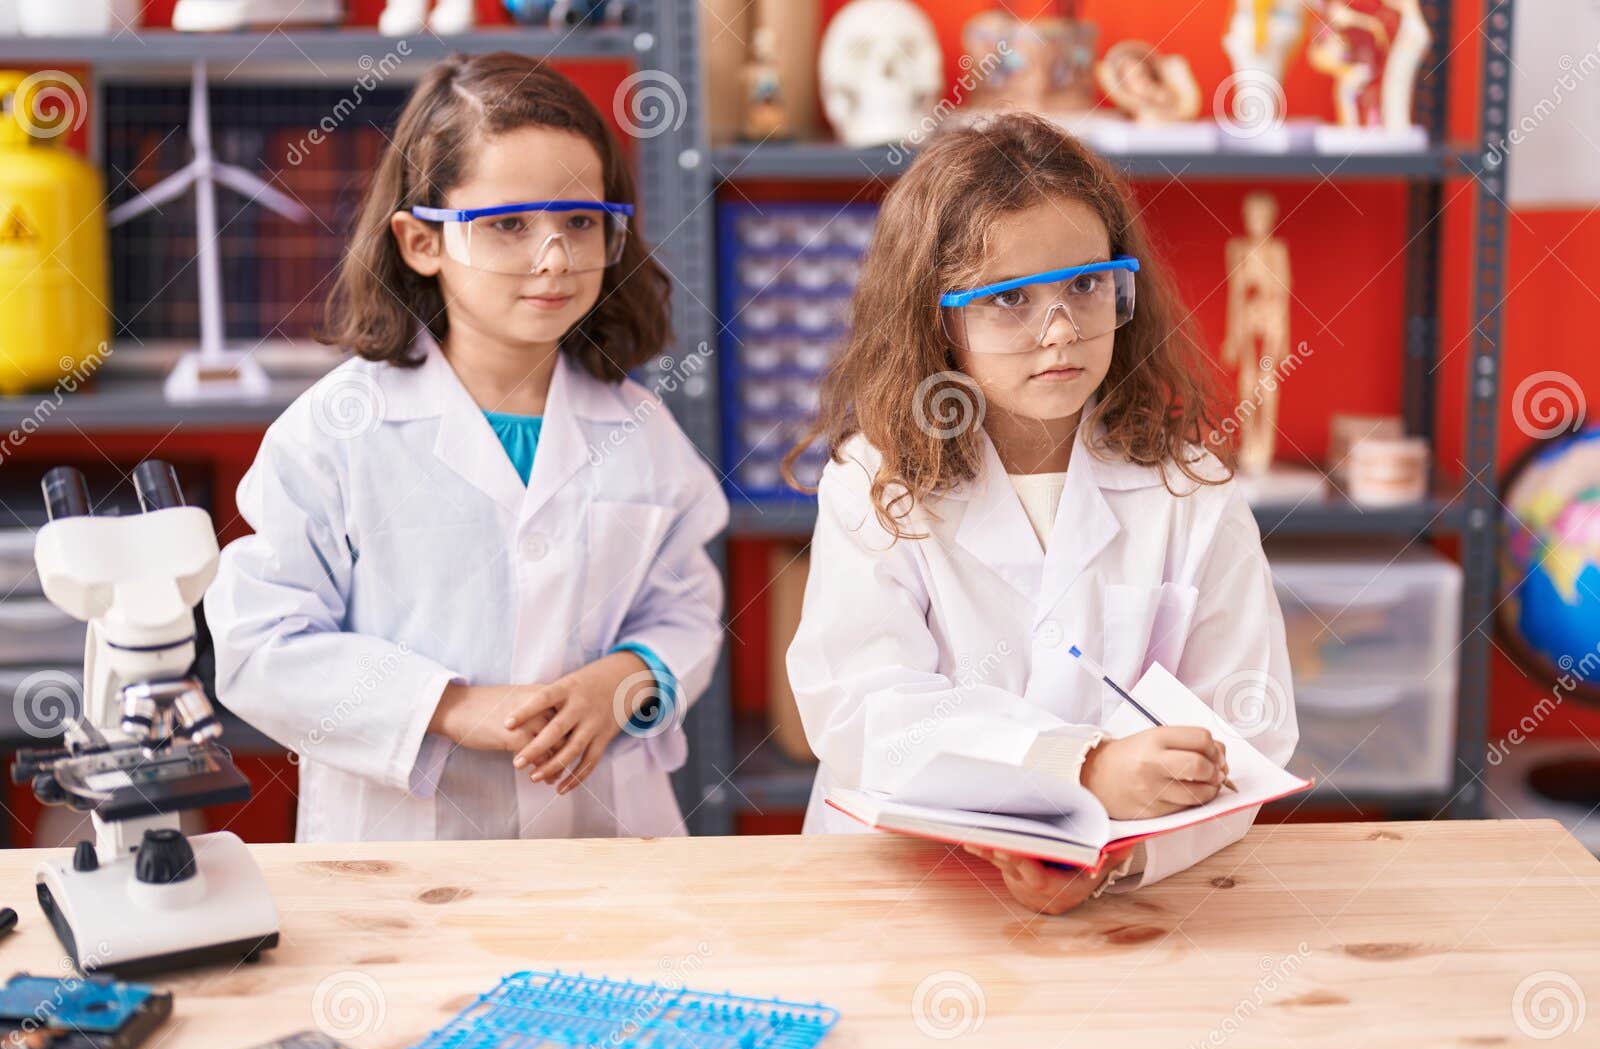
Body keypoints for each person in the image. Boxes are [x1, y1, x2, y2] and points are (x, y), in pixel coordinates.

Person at [785, 113, 1298, 914]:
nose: (1060, 329)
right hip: (915, 892)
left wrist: (1115, 855)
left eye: (1086, 284)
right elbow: (863, 712)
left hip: (1131, 897)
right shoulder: (871, 483)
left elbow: (1249, 730)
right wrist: (1080, 768)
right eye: (1011, 298)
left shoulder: (1192, 492)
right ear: (938, 318)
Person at [205, 55, 727, 842]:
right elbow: (259, 647)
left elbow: (686, 607)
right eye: (509, 225)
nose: (554, 258)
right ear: (421, 241)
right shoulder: (333, 435)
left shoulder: (640, 431)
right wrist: (449, 706)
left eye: (579, 222)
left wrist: (622, 681)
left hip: (605, 849)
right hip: (401, 863)